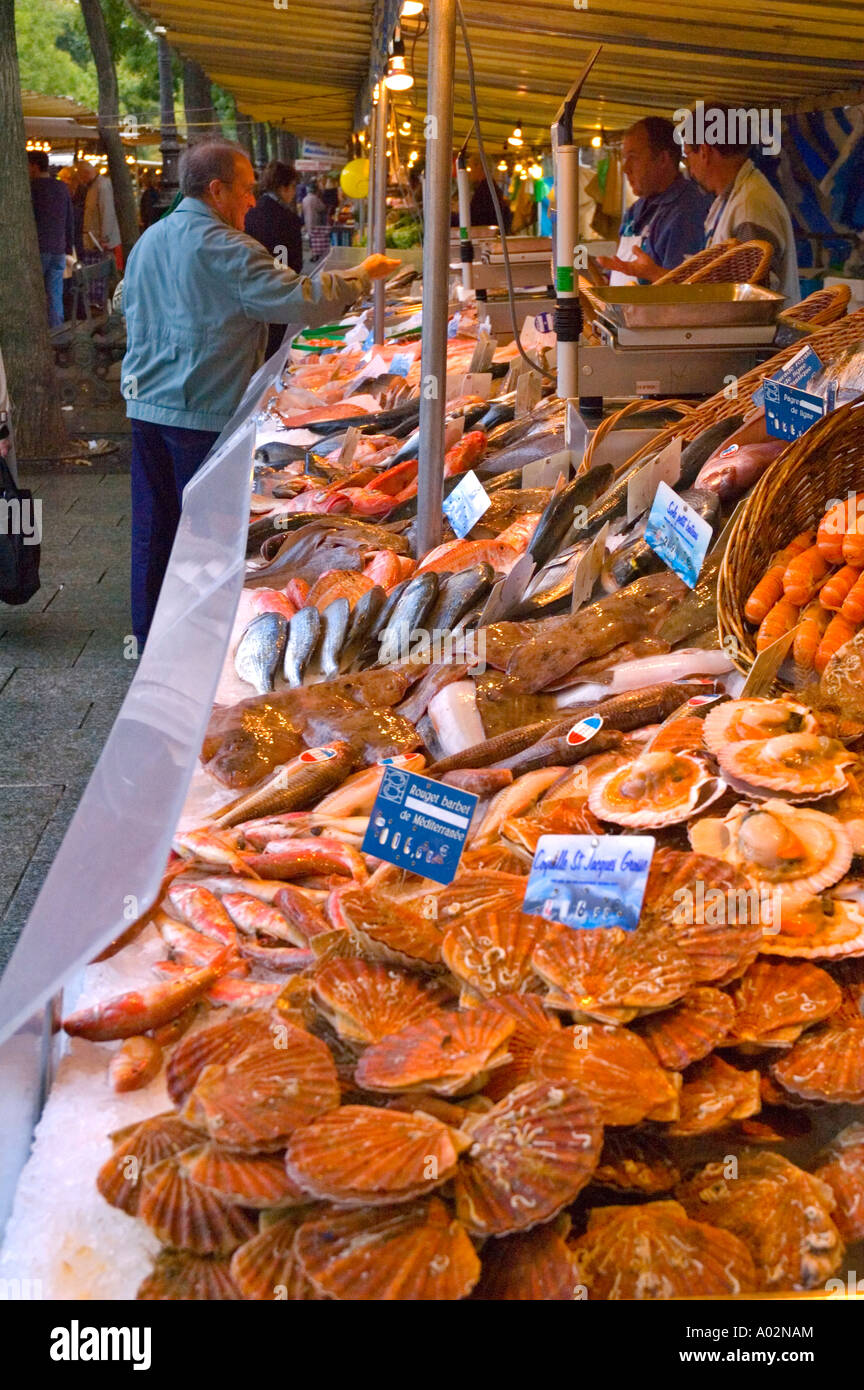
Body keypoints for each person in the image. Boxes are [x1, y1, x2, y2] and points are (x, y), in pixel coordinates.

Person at [121, 139, 397, 649]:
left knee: (153, 529)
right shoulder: (226, 247)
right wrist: (361, 275)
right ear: (216, 188)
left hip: (145, 407)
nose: (253, 201)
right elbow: (298, 300)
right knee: (207, 537)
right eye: (246, 191)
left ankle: (149, 640)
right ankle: (200, 647)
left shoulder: (151, 239)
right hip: (200, 412)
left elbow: (124, 300)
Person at [682, 105, 800, 303]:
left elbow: (755, 293)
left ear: (704, 151)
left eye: (688, 156)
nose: (689, 168)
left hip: (759, 334)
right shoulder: (732, 197)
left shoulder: (750, 206)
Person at [595, 117, 712, 285]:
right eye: (624, 158)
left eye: (633, 157)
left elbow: (685, 291)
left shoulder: (688, 212)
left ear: (663, 159)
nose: (625, 168)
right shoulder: (635, 210)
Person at [244, 159, 303, 358]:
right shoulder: (287, 220)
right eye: (293, 186)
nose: (294, 192)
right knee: (275, 349)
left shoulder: (249, 213)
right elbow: (291, 262)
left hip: (250, 294)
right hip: (279, 295)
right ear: (283, 187)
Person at [27, 150, 74, 328]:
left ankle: (36, 331)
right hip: (58, 249)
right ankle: (57, 332)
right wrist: (68, 247)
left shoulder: (33, 188)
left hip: (39, 248)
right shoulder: (61, 187)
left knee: (34, 294)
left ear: (34, 166)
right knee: (55, 294)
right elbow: (70, 220)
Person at [76, 160, 122, 307]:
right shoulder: (95, 186)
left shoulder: (101, 186)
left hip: (99, 241)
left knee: (100, 273)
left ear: (86, 174)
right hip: (93, 239)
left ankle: (102, 302)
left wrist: (105, 237)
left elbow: (106, 212)